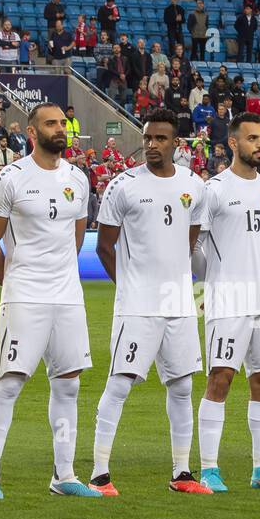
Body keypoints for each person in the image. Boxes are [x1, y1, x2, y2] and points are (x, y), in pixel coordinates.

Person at [0, 103, 100, 499]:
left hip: (67, 297)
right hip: (25, 296)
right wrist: (13, 284)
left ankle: (64, 475)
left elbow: (76, 236)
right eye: (51, 123)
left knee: (68, 385)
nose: (60, 129)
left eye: (63, 123)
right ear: (33, 133)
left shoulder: (77, 179)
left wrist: (58, 275)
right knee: (11, 382)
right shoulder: (9, 178)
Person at [90, 108, 211, 496]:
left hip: (178, 302)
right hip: (137, 305)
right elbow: (104, 246)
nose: (151, 145)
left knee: (181, 386)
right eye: (147, 139)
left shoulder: (194, 185)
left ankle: (182, 473)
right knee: (120, 384)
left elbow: (191, 241)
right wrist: (130, 286)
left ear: (176, 143)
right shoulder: (123, 186)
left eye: (160, 139)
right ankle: (99, 475)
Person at [195, 112, 260, 492]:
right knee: (220, 378)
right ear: (233, 143)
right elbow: (196, 247)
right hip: (226, 299)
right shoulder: (214, 189)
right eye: (251, 138)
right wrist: (201, 295)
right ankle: (208, 468)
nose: (259, 145)